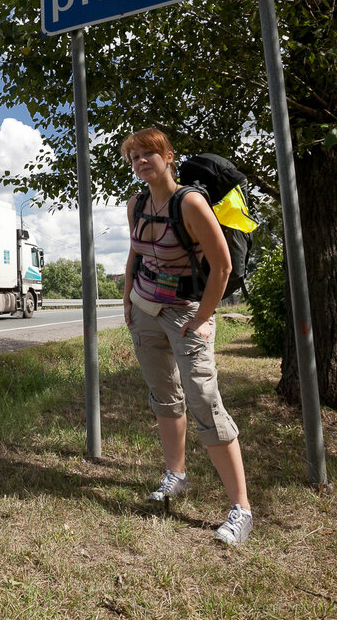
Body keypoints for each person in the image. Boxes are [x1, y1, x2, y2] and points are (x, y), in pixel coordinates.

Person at [120, 128, 252, 546]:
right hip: (145, 311)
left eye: (148, 154)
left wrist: (202, 318)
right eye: (134, 156)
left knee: (204, 401)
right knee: (164, 397)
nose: (141, 161)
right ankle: (176, 476)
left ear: (169, 157)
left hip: (186, 313)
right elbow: (136, 253)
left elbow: (223, 266)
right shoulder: (136, 203)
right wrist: (127, 300)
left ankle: (241, 509)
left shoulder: (191, 203)